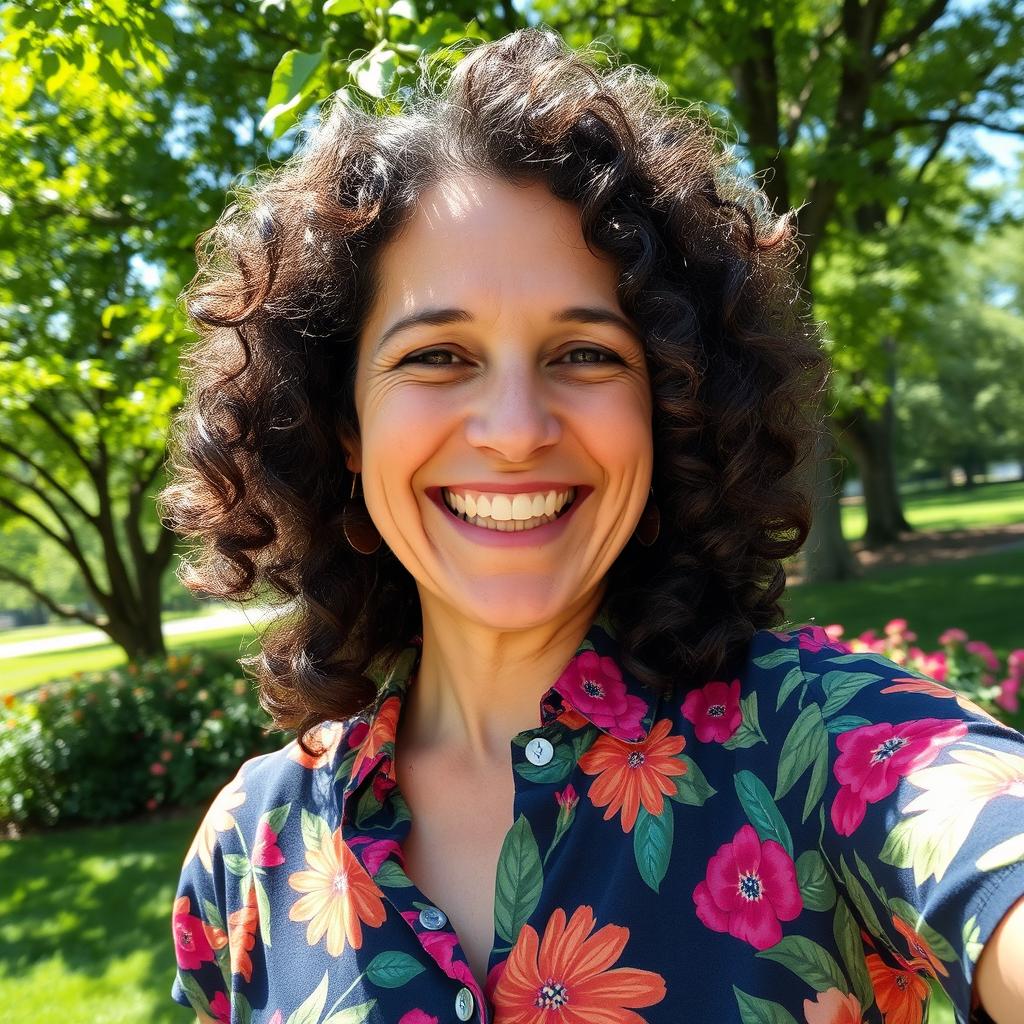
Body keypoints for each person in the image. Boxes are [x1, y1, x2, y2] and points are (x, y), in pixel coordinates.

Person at [159, 27, 1024, 1024]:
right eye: (438, 356)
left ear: (669, 407)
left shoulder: (827, 751)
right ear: (344, 425)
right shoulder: (248, 853)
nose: (517, 431)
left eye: (584, 355)